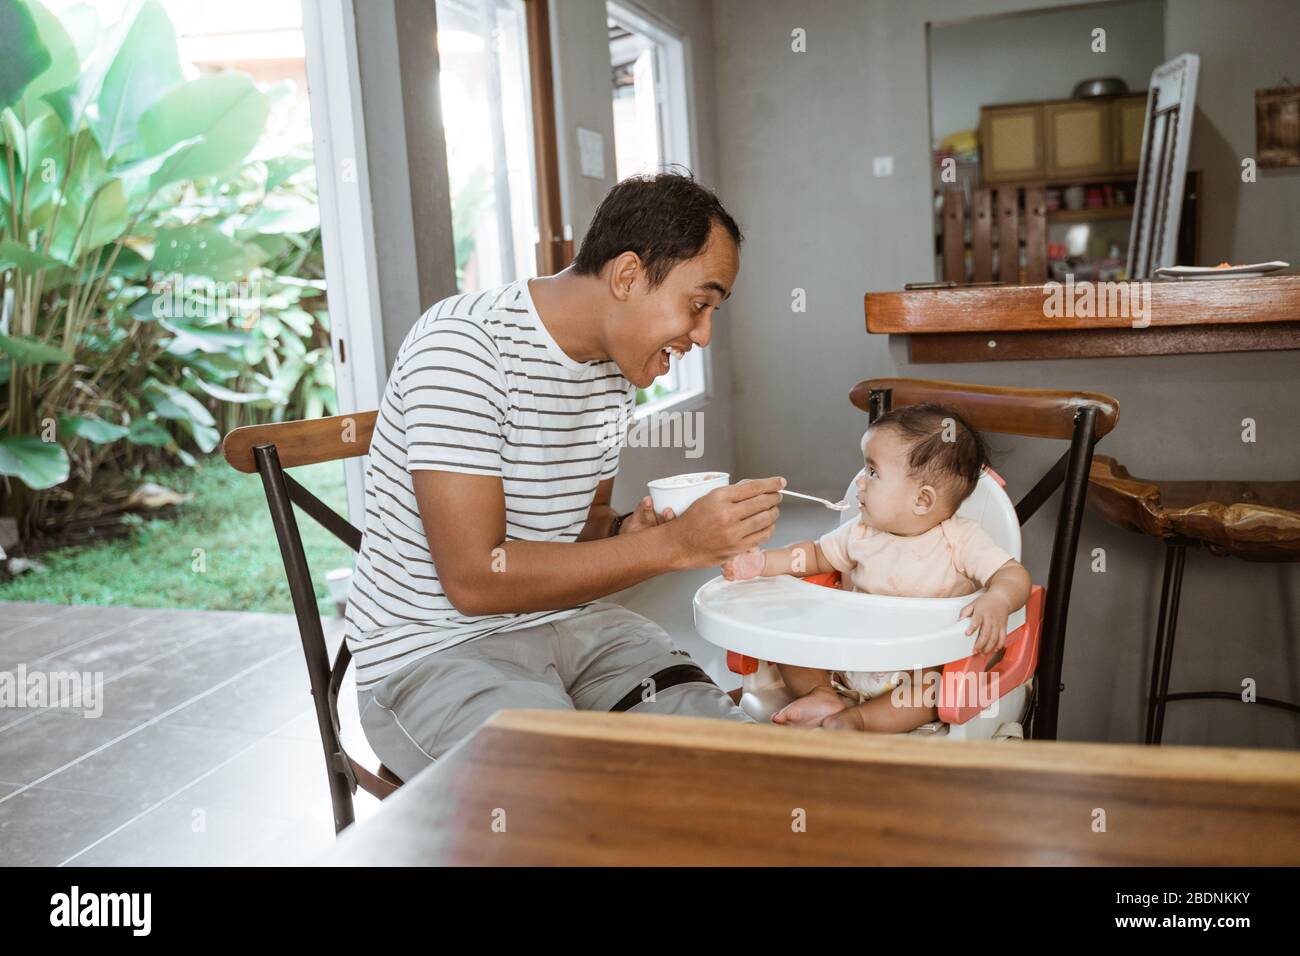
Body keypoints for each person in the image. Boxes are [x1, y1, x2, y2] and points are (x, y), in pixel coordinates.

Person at [346, 172, 784, 782]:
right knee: (574, 797)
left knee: (733, 759)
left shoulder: (612, 375)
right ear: (627, 275)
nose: (703, 335)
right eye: (699, 304)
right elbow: (475, 579)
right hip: (434, 656)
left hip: (571, 626)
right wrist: (674, 548)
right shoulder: (463, 347)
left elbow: (581, 532)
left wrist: (632, 529)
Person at [722, 404, 1031, 732]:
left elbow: (1013, 575)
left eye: (872, 471)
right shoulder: (860, 531)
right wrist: (763, 562)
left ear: (922, 501)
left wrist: (998, 598)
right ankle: (822, 694)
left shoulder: (962, 540)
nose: (858, 481)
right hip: (847, 657)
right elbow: (814, 556)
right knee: (786, 641)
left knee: (929, 695)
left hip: (915, 670)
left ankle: (857, 719)